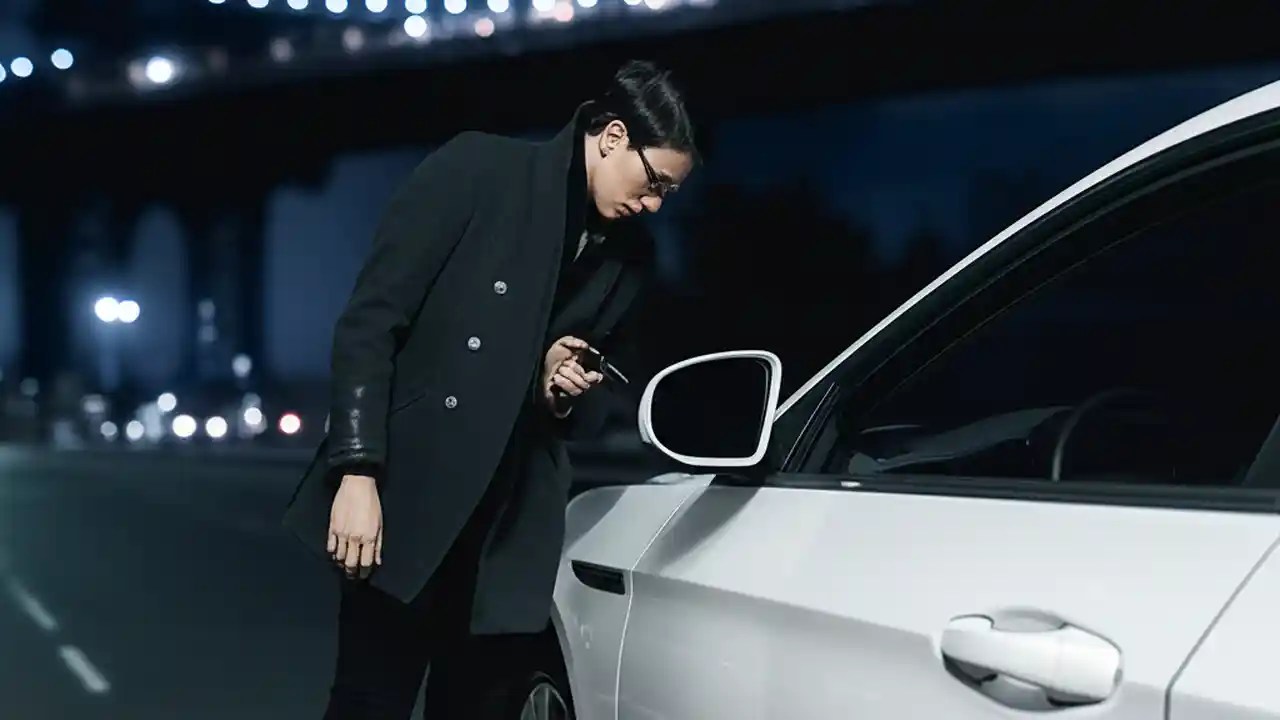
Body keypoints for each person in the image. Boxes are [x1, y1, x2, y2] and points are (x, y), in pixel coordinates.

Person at [281, 59, 697, 719]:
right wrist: (357, 472)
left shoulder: (630, 259)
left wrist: (560, 386)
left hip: (509, 525)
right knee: (369, 701)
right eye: (652, 182)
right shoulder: (477, 171)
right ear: (613, 136)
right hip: (411, 499)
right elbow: (370, 323)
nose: (651, 205)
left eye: (667, 195)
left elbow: (582, 413)